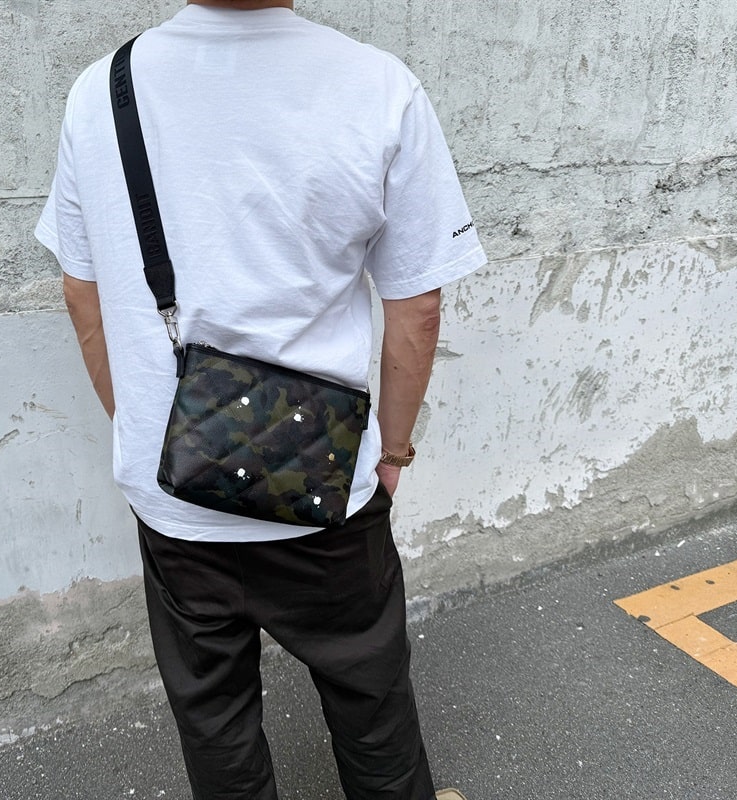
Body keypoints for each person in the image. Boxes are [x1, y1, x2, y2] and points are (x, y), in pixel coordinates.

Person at [35, 1, 487, 798]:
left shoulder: (102, 89)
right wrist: (392, 451)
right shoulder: (379, 87)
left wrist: (158, 433)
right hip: (323, 487)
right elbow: (416, 309)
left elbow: (83, 294)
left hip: (175, 498)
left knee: (215, 718)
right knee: (370, 697)